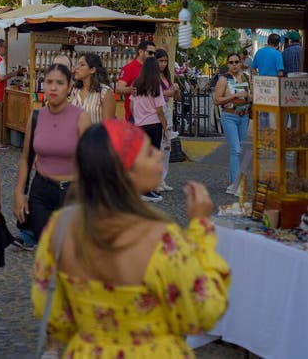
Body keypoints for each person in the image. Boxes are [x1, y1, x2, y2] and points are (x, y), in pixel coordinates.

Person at [31, 119, 230, 357]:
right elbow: (203, 311)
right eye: (148, 152)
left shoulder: (60, 227)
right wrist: (201, 228)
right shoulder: (160, 238)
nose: (158, 154)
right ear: (125, 173)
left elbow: (51, 311)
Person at [14, 64, 90, 246]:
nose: (53, 88)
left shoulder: (81, 117)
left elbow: (90, 162)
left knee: (69, 251)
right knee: (46, 250)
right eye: (49, 82)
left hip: (72, 192)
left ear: (69, 86)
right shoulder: (36, 116)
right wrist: (19, 192)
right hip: (41, 192)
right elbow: (26, 158)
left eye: (59, 83)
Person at [131, 54, 168, 203]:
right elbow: (159, 110)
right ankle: (147, 190)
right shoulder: (155, 85)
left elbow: (132, 105)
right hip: (153, 125)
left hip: (139, 125)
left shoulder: (137, 84)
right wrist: (166, 128)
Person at [213, 53, 252, 194]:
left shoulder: (246, 77)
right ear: (227, 64)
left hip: (244, 117)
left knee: (237, 150)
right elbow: (217, 100)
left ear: (241, 63)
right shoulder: (223, 79)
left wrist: (248, 96)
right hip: (229, 116)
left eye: (237, 62)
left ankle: (231, 184)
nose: (234, 64)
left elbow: (252, 95)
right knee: (236, 149)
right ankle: (235, 185)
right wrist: (234, 95)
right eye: (231, 62)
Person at [156, 49, 179, 193]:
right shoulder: (152, 77)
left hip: (166, 109)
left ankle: (162, 178)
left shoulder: (166, 76)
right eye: (161, 61)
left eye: (165, 61)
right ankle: (155, 179)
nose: (163, 64)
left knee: (166, 146)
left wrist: (175, 89)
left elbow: (176, 96)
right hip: (157, 110)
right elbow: (156, 94)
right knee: (158, 145)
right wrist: (169, 92)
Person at [70, 52, 116, 122]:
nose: (76, 68)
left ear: (92, 70)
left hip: (96, 133)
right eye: (77, 64)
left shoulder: (105, 92)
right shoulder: (75, 90)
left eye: (82, 65)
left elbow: (109, 126)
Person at [116, 39, 155, 121]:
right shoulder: (129, 68)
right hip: (134, 115)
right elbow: (119, 89)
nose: (153, 56)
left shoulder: (152, 68)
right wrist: (131, 89)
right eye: (150, 53)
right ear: (140, 52)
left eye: (154, 53)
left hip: (151, 115)